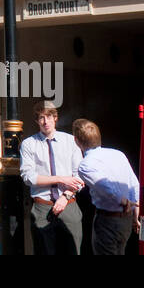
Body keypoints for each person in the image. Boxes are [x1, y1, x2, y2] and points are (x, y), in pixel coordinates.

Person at [20, 100, 85, 255]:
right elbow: (28, 177)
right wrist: (60, 179)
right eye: (41, 118)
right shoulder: (29, 144)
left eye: (49, 117)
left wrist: (65, 197)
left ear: (55, 118)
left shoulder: (71, 141)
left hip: (69, 204)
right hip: (43, 207)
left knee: (73, 250)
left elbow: (80, 176)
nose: (45, 121)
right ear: (37, 121)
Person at [73, 118, 140, 255]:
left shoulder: (85, 165)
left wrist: (123, 201)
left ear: (77, 141)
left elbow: (105, 187)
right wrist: (135, 215)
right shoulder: (118, 154)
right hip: (126, 220)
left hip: (108, 221)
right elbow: (134, 184)